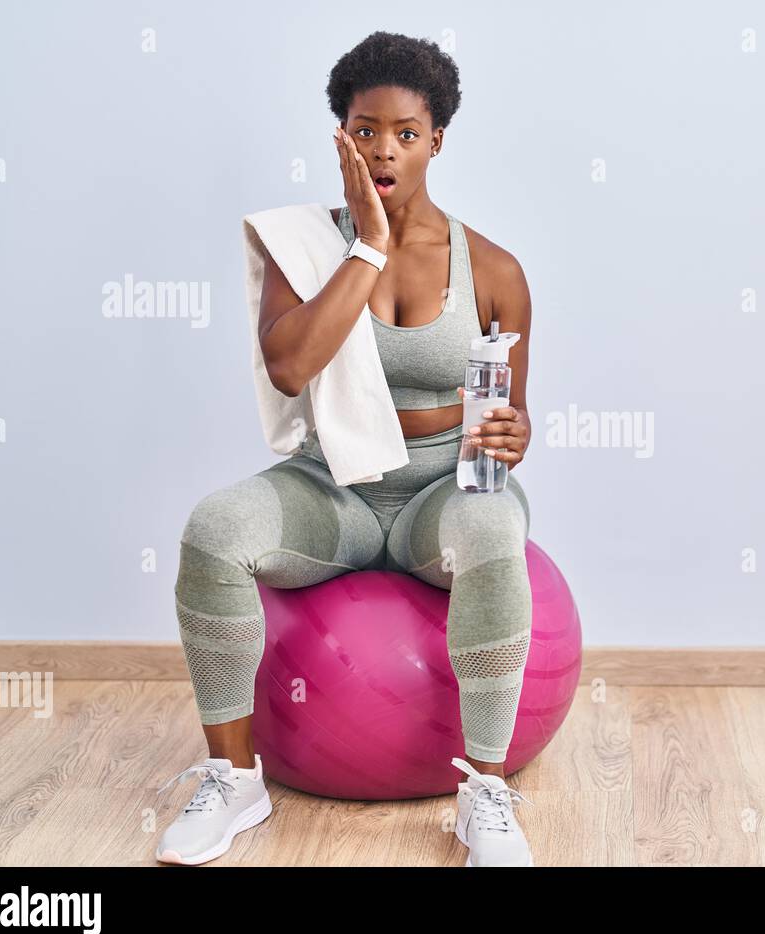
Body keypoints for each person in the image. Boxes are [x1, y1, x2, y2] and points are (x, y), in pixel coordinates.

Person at [154, 31, 537, 867]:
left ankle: (485, 797)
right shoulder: (301, 247)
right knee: (215, 529)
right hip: (335, 490)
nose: (385, 149)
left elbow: (511, 410)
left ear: (438, 140)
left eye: (406, 132)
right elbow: (291, 366)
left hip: (444, 489)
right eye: (365, 130)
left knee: (494, 534)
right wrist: (365, 245)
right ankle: (235, 780)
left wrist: (516, 433)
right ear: (340, 136)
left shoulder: (496, 269)